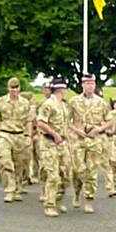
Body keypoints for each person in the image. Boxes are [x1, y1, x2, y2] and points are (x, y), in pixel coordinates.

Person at [70, 73, 110, 211]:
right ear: (82, 85)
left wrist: (99, 129)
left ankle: (88, 199)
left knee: (92, 171)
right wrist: (76, 130)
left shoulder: (101, 102)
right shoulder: (74, 101)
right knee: (78, 169)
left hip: (94, 140)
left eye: (92, 83)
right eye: (87, 83)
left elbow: (110, 120)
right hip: (78, 140)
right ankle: (76, 193)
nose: (90, 86)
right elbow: (67, 121)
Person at [0, 78, 32, 203]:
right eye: (12, 88)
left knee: (19, 164)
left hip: (19, 135)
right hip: (5, 134)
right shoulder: (1, 102)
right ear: (8, 88)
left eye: (16, 87)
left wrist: (29, 136)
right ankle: (9, 190)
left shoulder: (25, 103)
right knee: (5, 161)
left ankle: (18, 189)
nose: (14, 90)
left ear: (19, 88)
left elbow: (29, 120)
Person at [36, 77, 72, 216]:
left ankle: (58, 199)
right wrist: (54, 134)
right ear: (61, 89)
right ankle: (49, 204)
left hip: (62, 143)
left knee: (66, 174)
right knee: (53, 175)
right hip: (49, 143)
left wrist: (67, 140)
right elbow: (40, 122)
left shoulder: (63, 105)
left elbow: (65, 125)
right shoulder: (48, 104)